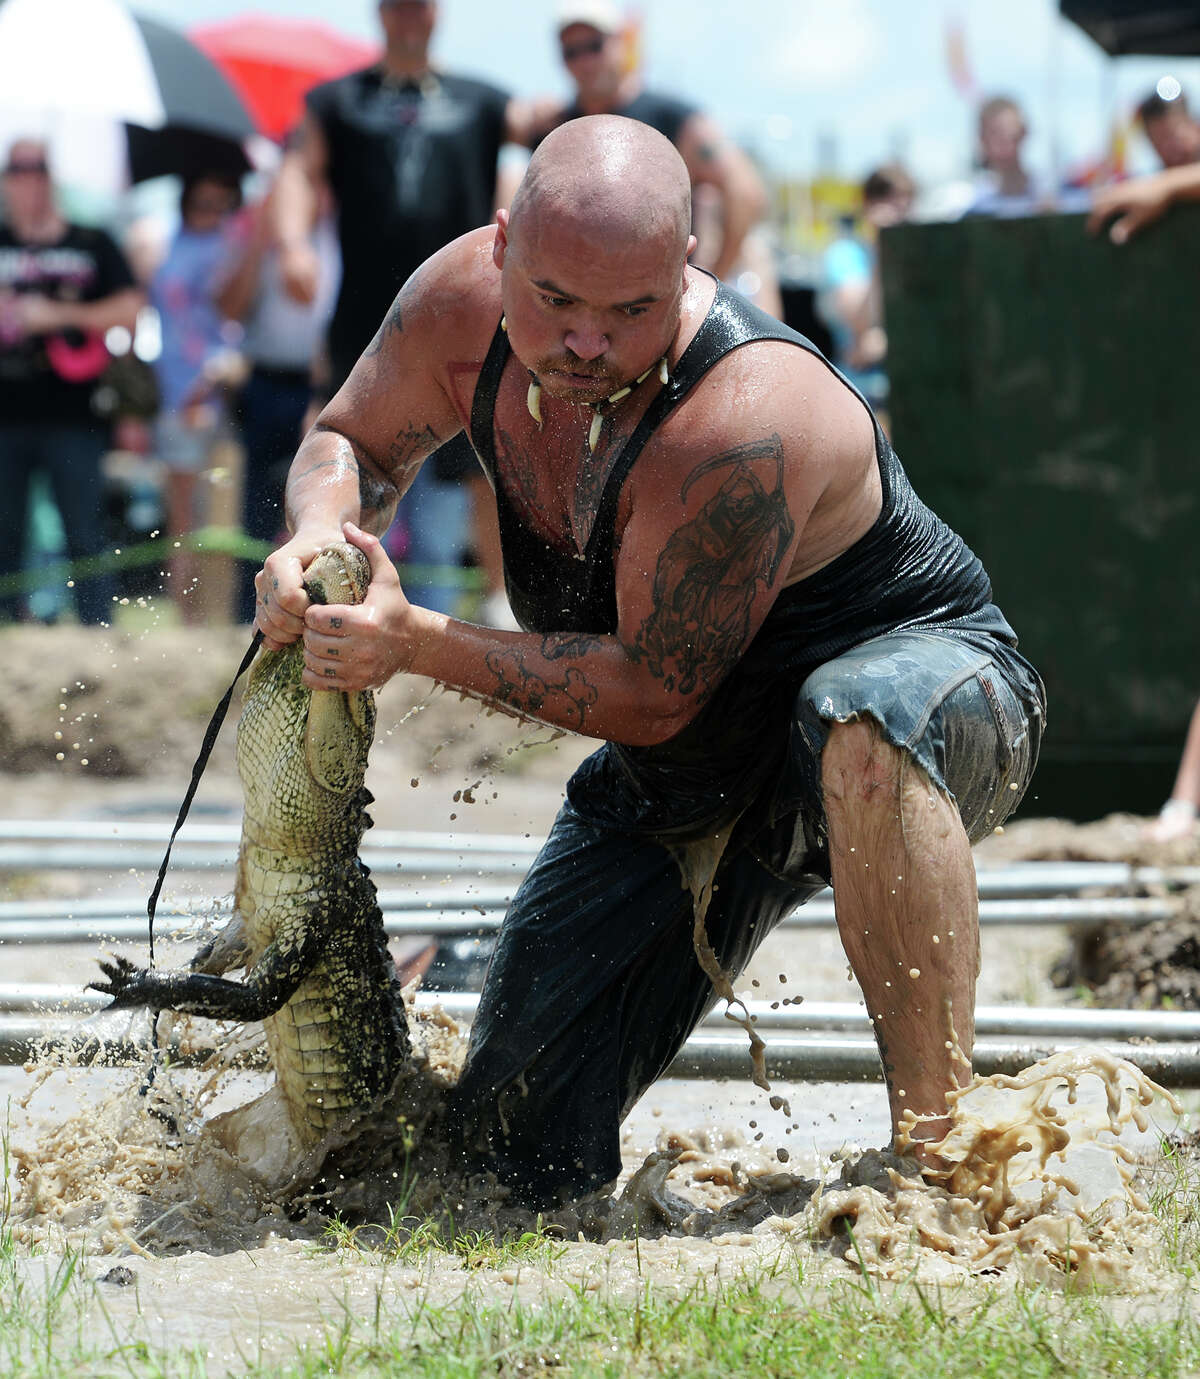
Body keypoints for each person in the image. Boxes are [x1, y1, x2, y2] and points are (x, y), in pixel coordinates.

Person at [255, 116, 1045, 1208]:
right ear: (500, 250)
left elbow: (650, 691)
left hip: (933, 691)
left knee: (857, 717)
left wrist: (418, 642)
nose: (586, 343)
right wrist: (317, 532)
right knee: (498, 1164)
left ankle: (942, 1165)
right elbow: (348, 441)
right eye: (557, 302)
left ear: (685, 271)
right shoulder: (454, 307)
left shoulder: (742, 414)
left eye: (630, 311)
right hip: (697, 759)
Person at [272, 0, 524, 622]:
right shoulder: (337, 100)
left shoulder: (486, 99)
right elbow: (300, 169)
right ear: (380, 13)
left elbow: (553, 149)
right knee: (348, 445)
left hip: (467, 309)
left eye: (419, 6)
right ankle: (325, 589)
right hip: (366, 314)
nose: (409, 16)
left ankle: (498, 601)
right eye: (397, 6)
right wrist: (293, 243)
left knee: (482, 456)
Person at [518, 0, 778, 314]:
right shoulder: (555, 124)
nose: (584, 61)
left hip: (652, 312)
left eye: (593, 46)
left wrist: (711, 282)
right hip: (577, 313)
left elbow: (745, 192)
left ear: (621, 43)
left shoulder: (671, 118)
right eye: (571, 52)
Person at [0, 138, 141, 625]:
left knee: (85, 529)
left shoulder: (91, 242)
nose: (29, 179)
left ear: (52, 176)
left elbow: (130, 309)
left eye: (38, 168)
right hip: (7, 416)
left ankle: (96, 633)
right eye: (17, 169)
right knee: (4, 532)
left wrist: (54, 314)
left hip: (76, 415)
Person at [215, 186, 340, 623]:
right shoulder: (258, 236)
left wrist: (324, 394)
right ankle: (247, 616)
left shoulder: (342, 233)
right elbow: (227, 306)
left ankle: (317, 611)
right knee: (256, 508)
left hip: (322, 384)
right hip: (266, 383)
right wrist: (258, 243)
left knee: (316, 504)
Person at [150, 170, 243, 623]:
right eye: (201, 203)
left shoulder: (237, 246)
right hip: (175, 395)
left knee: (222, 514)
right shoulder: (162, 243)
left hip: (223, 394)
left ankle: (216, 615)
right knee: (183, 516)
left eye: (220, 204)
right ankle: (183, 616)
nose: (210, 213)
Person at [818, 163, 915, 418]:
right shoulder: (844, 254)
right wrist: (882, 247)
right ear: (867, 204)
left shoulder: (917, 259)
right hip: (860, 392)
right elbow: (859, 322)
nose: (897, 212)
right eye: (887, 200)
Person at [1137, 87, 1200, 171]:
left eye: (1172, 137)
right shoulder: (1151, 181)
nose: (1169, 152)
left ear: (1195, 127)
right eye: (1159, 143)